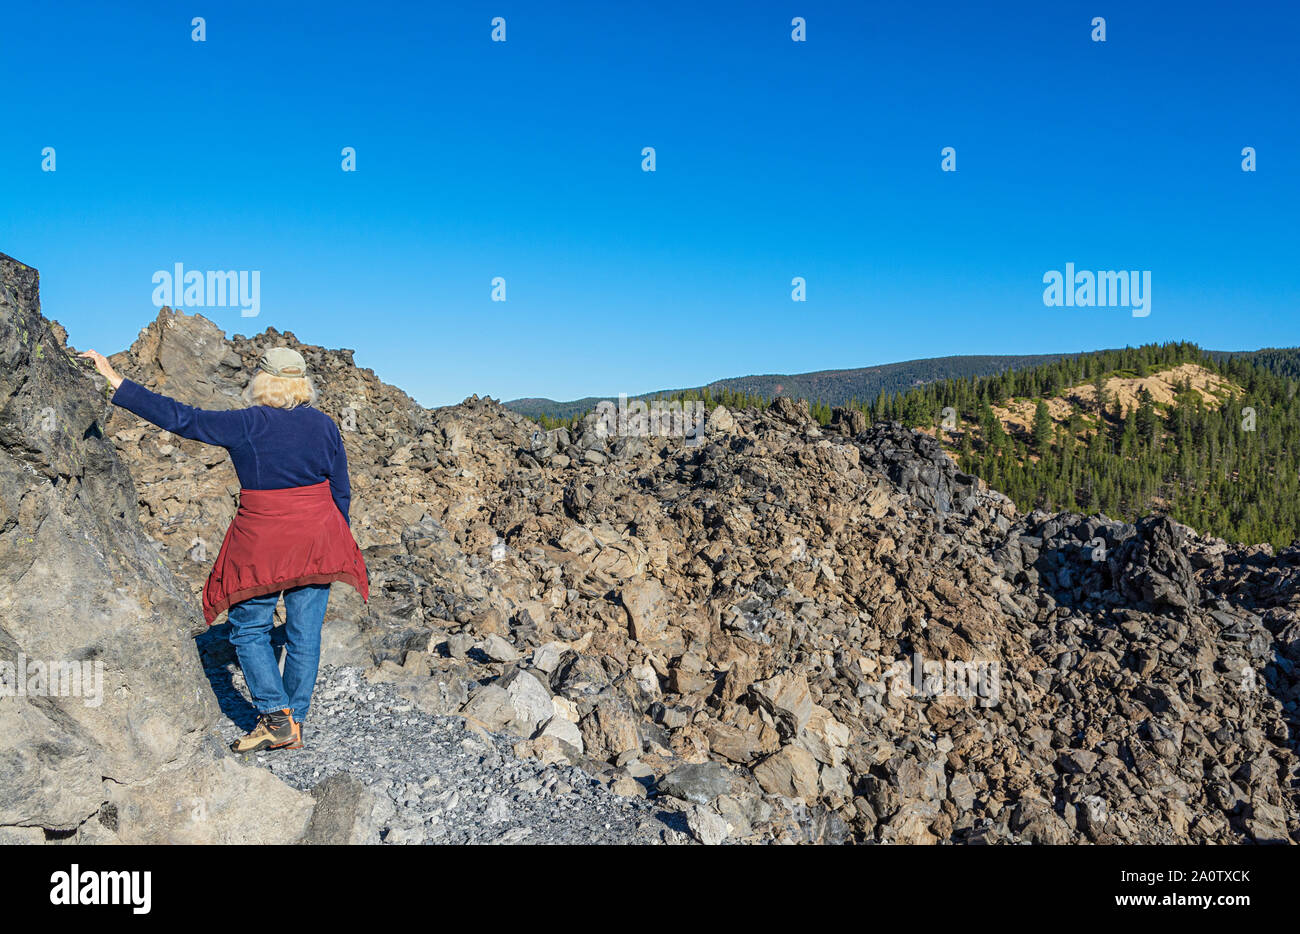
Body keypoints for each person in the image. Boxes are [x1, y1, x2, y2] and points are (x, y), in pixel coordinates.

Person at [79, 346, 369, 753]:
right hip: (320, 537)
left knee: (249, 628)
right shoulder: (325, 426)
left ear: (262, 381)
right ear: (302, 383)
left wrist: (117, 382)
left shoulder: (248, 423)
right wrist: (336, 537)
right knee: (305, 634)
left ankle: (276, 717)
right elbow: (341, 489)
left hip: (265, 539)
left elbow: (184, 419)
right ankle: (295, 720)